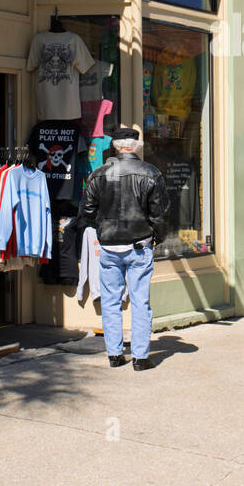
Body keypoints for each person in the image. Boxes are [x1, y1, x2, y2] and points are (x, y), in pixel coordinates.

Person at [79, 127, 170, 371]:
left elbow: (87, 211)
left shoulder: (99, 174)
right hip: (139, 244)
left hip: (109, 245)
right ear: (136, 146)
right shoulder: (150, 173)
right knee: (140, 301)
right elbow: (160, 214)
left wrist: (101, 228)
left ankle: (114, 354)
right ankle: (140, 357)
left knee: (110, 301)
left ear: (115, 146)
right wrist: (154, 239)